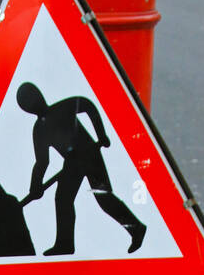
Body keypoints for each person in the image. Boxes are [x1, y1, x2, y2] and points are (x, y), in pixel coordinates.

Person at [17, 82, 147, 256]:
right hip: (72, 163)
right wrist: (35, 186)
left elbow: (88, 105)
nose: (31, 104)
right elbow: (42, 162)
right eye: (27, 102)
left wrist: (101, 134)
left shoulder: (61, 109)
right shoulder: (39, 129)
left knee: (104, 198)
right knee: (63, 199)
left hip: (89, 154)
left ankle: (136, 227)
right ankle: (65, 244)